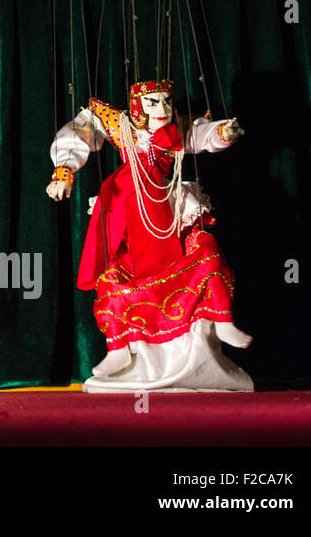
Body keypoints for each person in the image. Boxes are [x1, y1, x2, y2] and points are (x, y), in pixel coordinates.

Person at [47, 80, 253, 392]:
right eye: (154, 103)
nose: (163, 109)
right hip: (131, 205)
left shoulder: (177, 128)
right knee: (113, 277)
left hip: (166, 202)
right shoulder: (120, 125)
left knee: (206, 251)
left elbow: (202, 134)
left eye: (167, 101)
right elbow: (79, 131)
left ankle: (222, 321)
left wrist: (223, 132)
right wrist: (64, 170)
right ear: (137, 107)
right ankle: (118, 349)